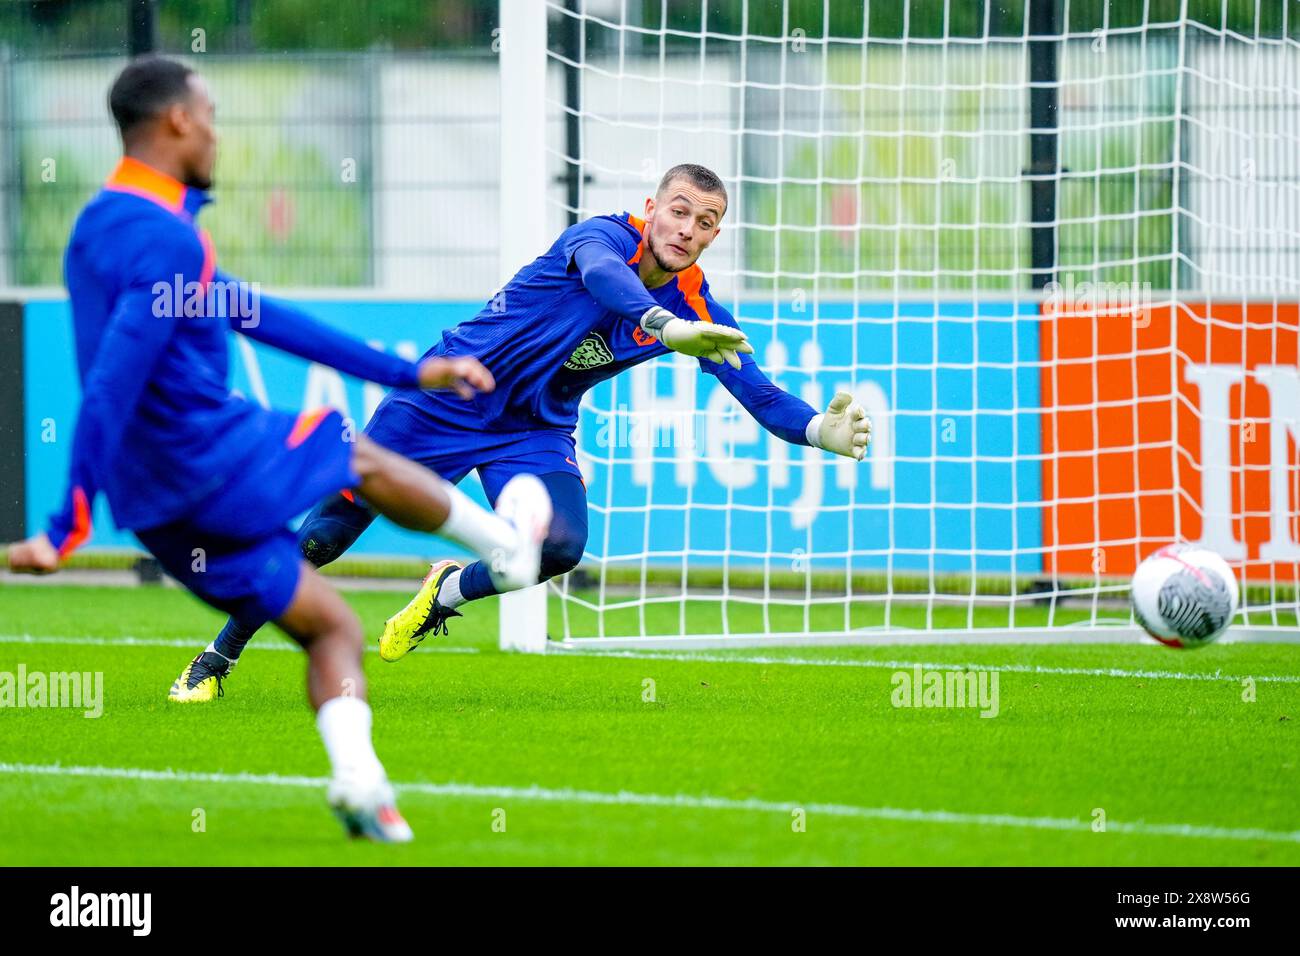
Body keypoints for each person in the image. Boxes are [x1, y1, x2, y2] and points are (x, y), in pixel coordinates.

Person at [4, 55, 554, 842]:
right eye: (213, 113)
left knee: (332, 627)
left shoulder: (102, 226)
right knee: (349, 450)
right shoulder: (164, 241)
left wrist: (410, 372)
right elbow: (110, 388)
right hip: (205, 454)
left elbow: (258, 316)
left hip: (159, 504)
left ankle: (363, 787)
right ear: (179, 122)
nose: (220, 133)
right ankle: (508, 550)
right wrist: (63, 528)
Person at [175, 162, 872, 695]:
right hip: (447, 396)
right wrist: (663, 326)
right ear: (652, 208)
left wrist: (817, 430)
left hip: (533, 429)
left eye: (707, 221)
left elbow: (754, 387)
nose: (688, 229)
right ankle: (218, 656)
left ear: (716, 235)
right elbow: (606, 281)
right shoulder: (600, 238)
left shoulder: (697, 306)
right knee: (326, 536)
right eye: (680, 211)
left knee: (562, 547)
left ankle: (444, 595)